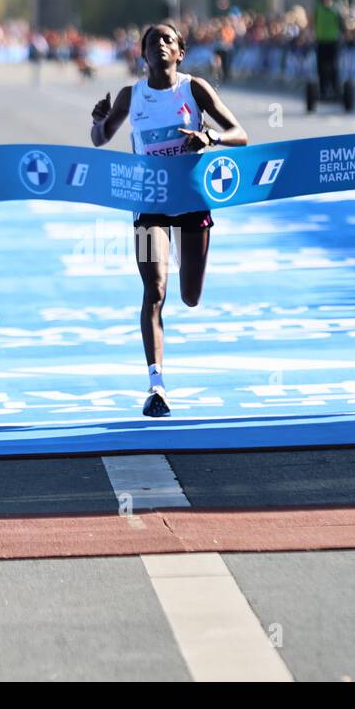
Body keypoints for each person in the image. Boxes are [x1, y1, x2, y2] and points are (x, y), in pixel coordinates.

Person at [89, 21, 249, 418]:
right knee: (155, 290)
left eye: (168, 40)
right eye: (151, 41)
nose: (159, 44)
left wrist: (210, 138)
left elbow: (239, 133)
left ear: (180, 52)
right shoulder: (131, 95)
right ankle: (156, 386)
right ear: (142, 54)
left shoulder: (194, 89)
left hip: (193, 200)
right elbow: (99, 138)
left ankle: (162, 369)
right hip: (149, 205)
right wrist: (98, 121)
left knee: (190, 296)